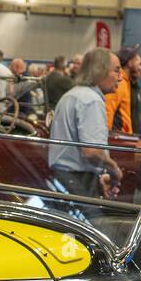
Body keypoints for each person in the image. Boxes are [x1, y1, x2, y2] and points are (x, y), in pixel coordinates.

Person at [47, 47, 124, 200]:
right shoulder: (91, 100)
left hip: (62, 178)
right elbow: (92, 152)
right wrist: (114, 169)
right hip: (77, 181)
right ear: (100, 71)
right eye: (116, 71)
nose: (120, 78)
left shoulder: (72, 95)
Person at [105, 45, 141, 134]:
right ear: (129, 63)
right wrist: (106, 137)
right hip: (116, 139)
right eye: (139, 63)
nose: (140, 68)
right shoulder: (119, 82)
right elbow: (108, 110)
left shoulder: (126, 82)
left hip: (124, 137)